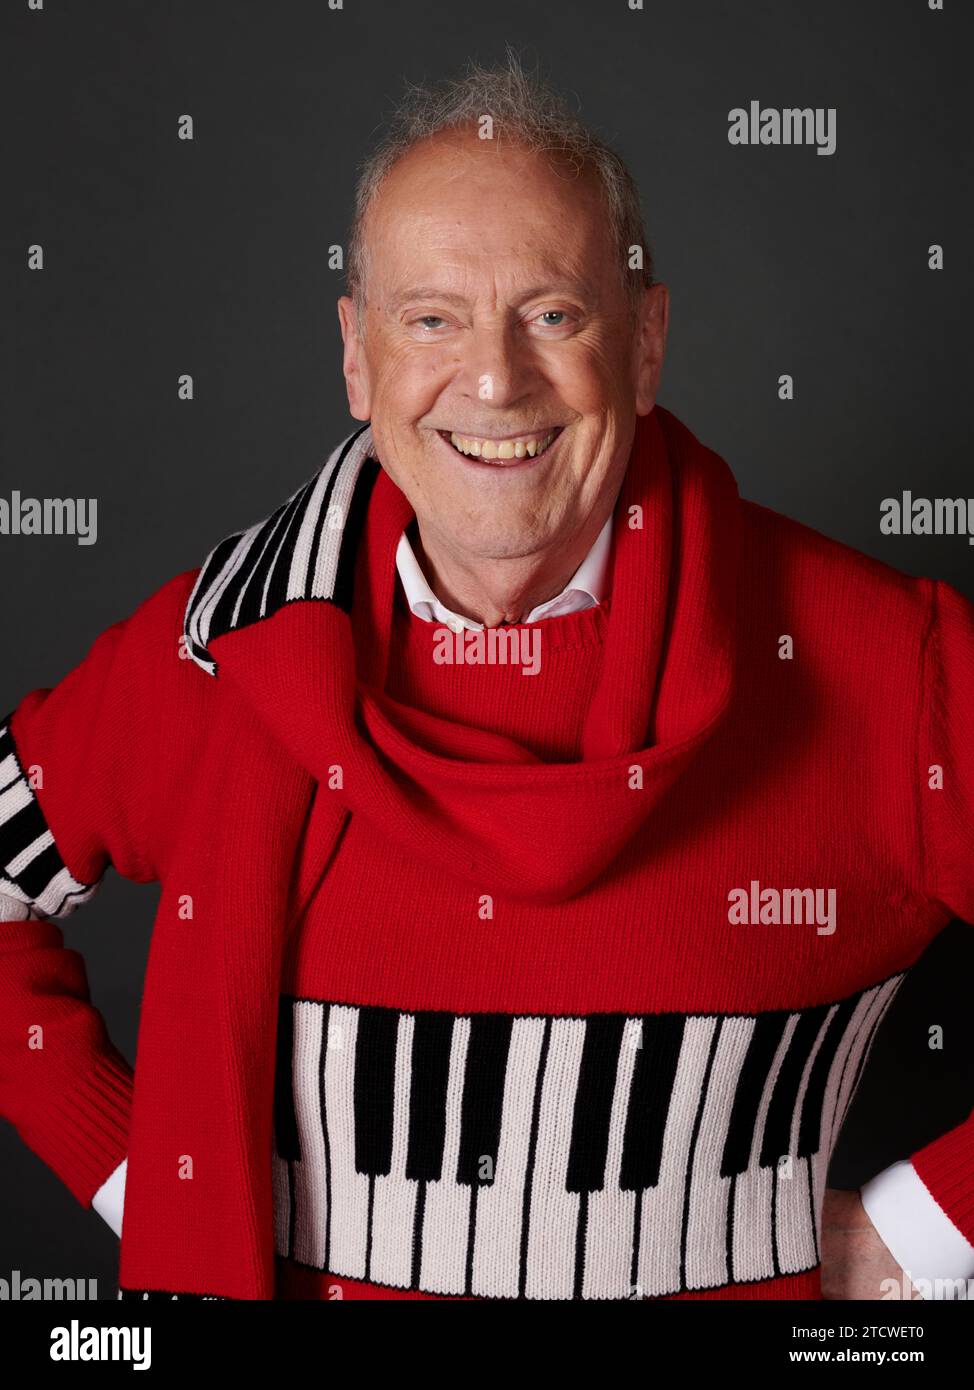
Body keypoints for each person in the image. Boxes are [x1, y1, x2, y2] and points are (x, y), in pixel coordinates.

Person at [1, 52, 972, 1302]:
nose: (496, 378)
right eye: (430, 319)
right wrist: (161, 1184)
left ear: (645, 343)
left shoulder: (881, 661)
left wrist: (917, 1233)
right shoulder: (221, 642)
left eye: (553, 314)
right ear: (357, 357)